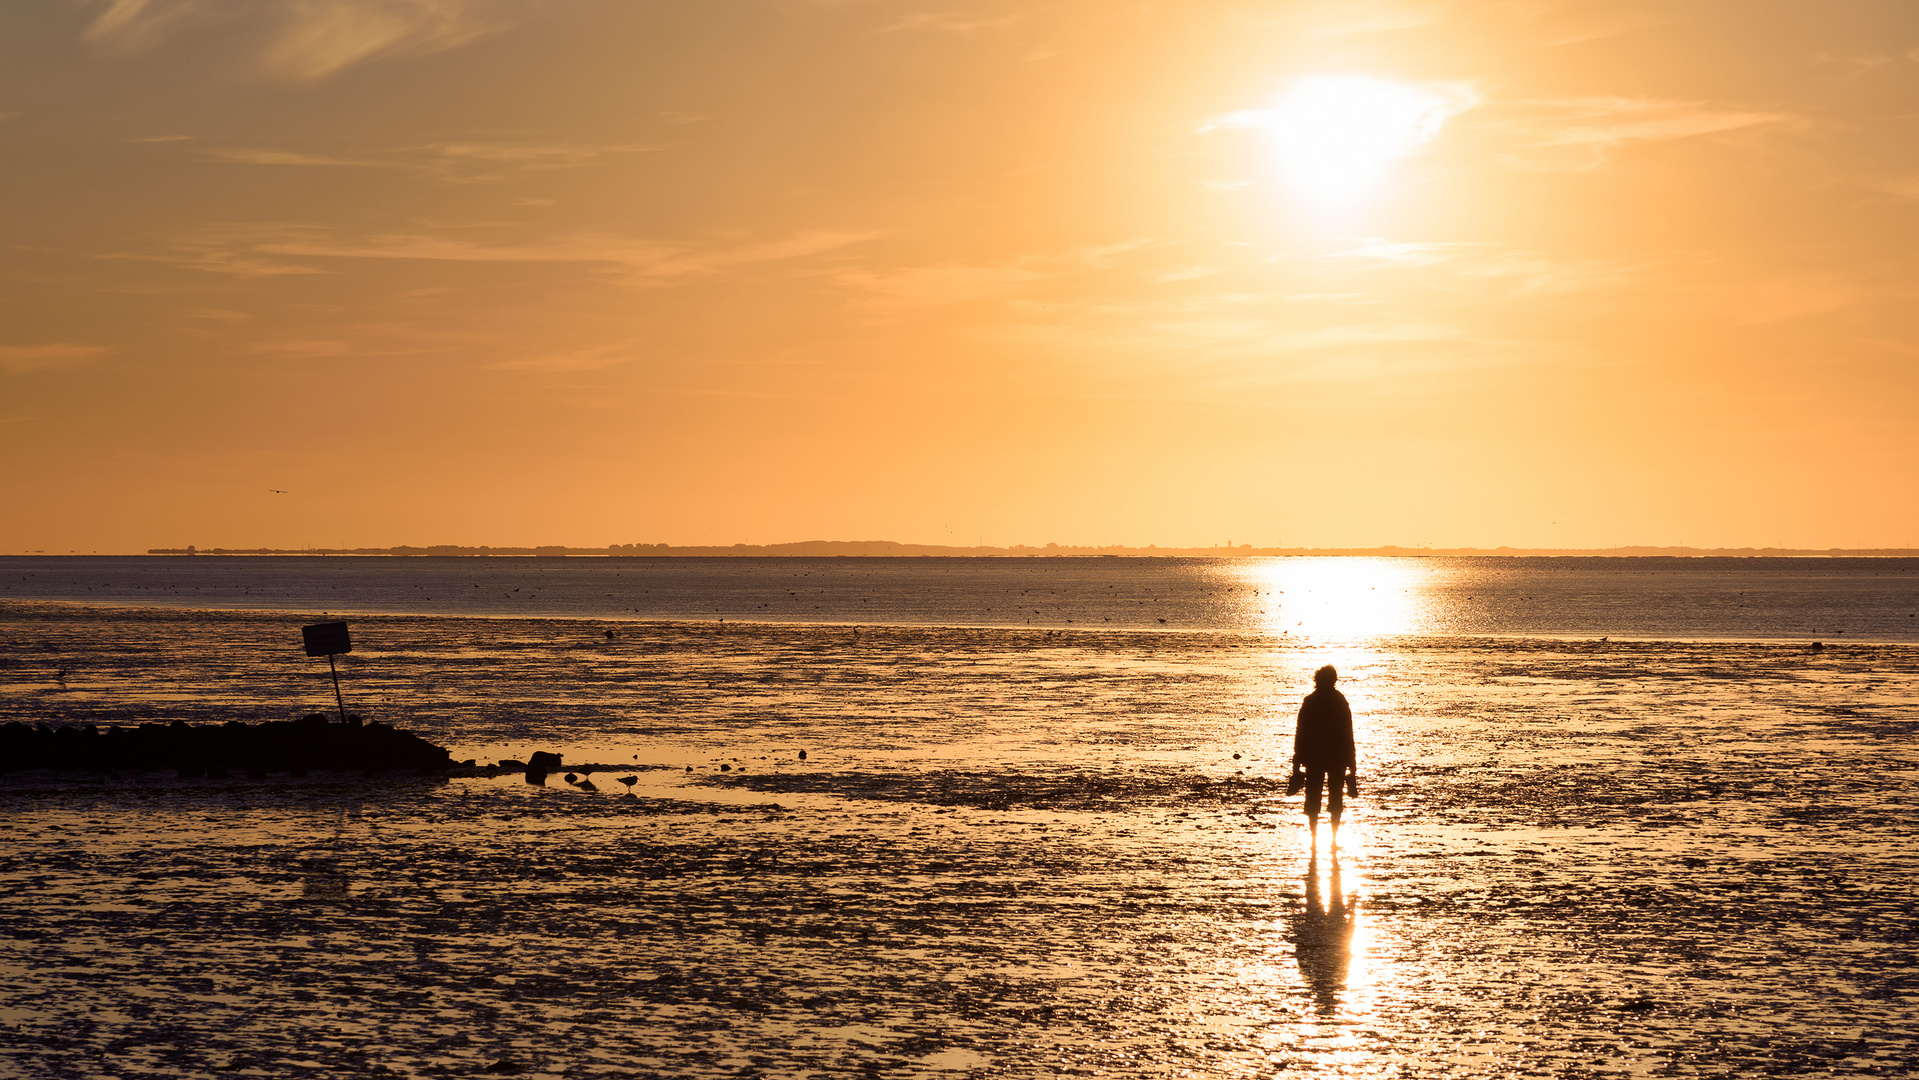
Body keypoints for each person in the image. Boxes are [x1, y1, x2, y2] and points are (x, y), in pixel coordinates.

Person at [1291, 664, 1356, 845]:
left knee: (1313, 797)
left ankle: (1313, 838)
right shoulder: (1340, 701)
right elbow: (1348, 733)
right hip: (1337, 757)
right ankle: (1333, 838)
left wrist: (1296, 763)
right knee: (1336, 798)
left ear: (1317, 680)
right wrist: (1352, 764)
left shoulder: (1310, 701)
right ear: (1333, 680)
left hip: (1314, 756)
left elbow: (1300, 732)